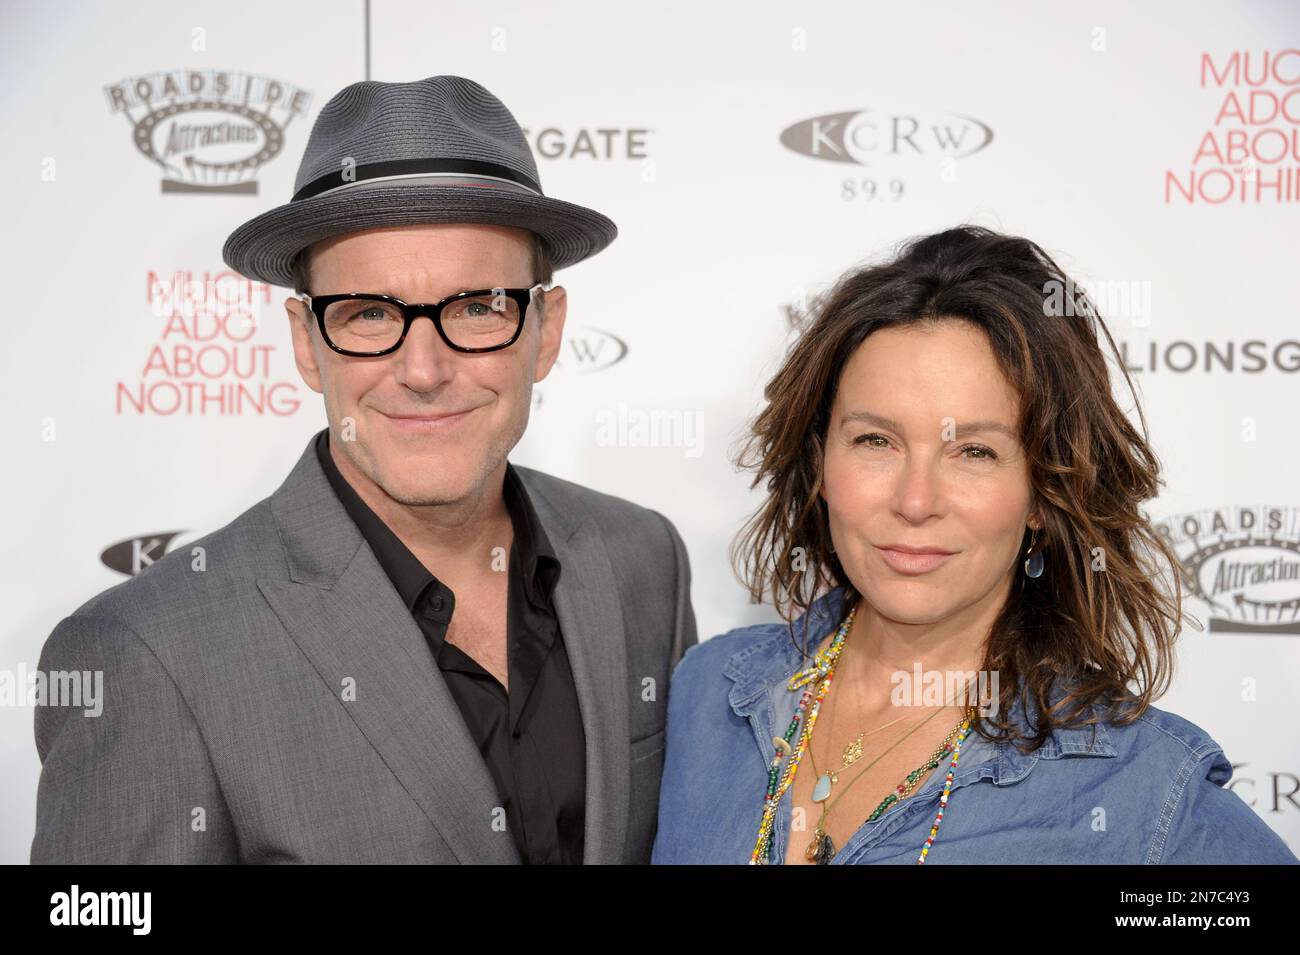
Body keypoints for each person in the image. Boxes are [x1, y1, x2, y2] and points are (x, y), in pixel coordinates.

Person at [31, 75, 697, 864]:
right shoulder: (146, 653)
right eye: (369, 314)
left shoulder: (641, 559)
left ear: (545, 331)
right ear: (307, 344)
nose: (423, 368)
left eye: (478, 306)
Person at [651, 226, 1298, 865]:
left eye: (975, 452)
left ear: (1046, 493)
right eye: (876, 440)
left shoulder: (1142, 794)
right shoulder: (710, 694)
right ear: (820, 461)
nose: (915, 499)